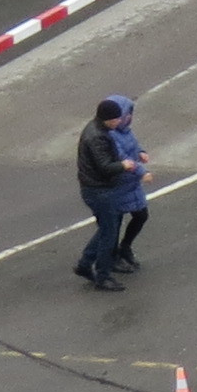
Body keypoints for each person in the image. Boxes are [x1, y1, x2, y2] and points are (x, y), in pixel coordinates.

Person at [73, 95, 150, 291]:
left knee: (106, 230)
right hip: (100, 191)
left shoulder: (99, 130)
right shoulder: (98, 137)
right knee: (109, 233)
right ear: (108, 119)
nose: (121, 121)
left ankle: (84, 264)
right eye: (117, 118)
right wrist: (124, 165)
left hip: (98, 189)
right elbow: (105, 166)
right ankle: (103, 275)